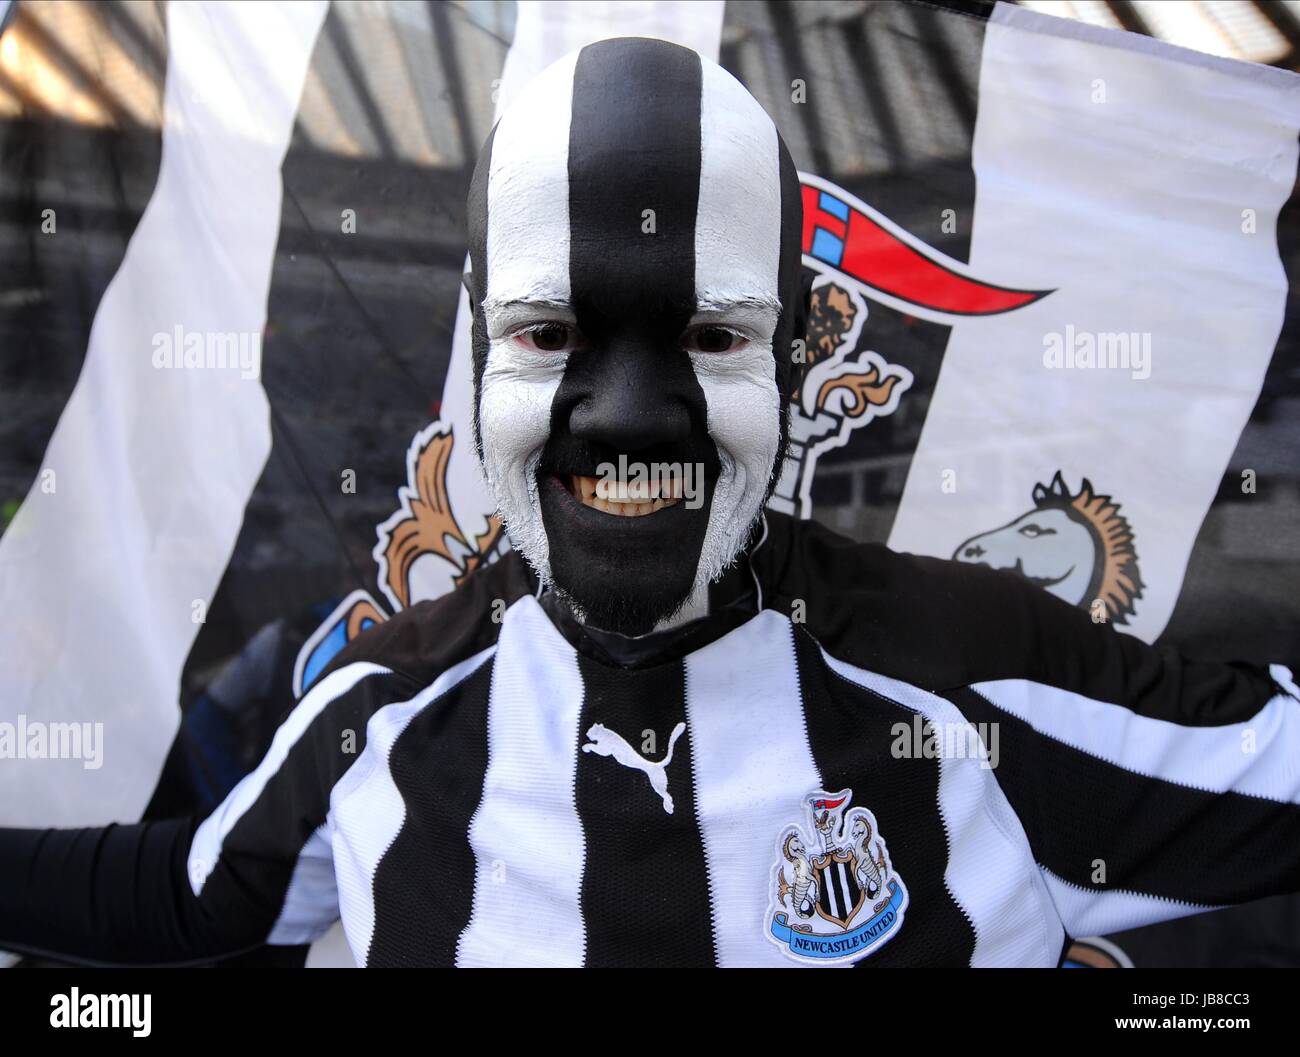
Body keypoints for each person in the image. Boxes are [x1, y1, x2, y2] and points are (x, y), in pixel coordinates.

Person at [2, 37, 1298, 968]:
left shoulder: (973, 673)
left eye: (710, 333)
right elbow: (175, 895)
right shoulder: (383, 710)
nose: (629, 412)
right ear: (485, 361)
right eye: (555, 331)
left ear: (793, 361)